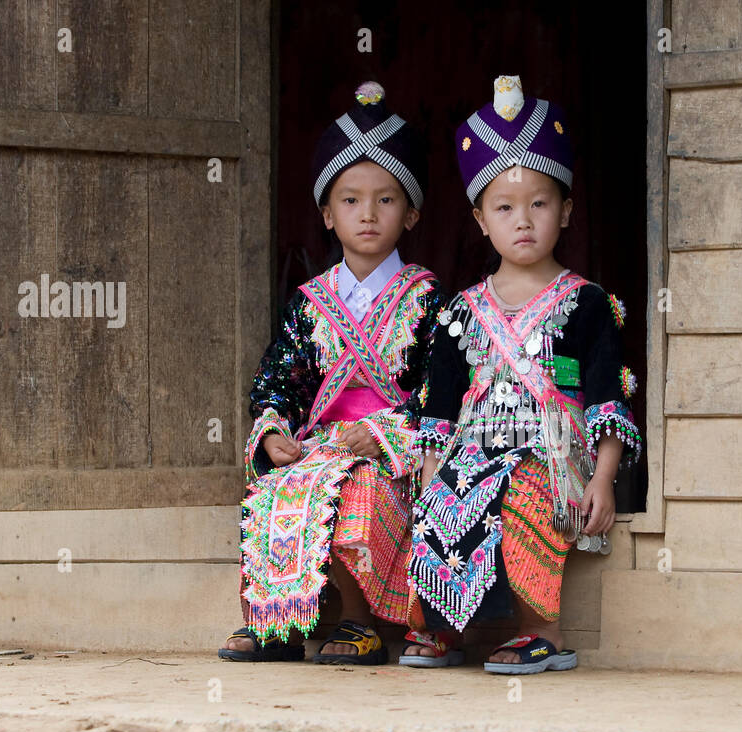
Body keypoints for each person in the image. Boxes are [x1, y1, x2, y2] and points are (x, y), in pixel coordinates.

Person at [404, 76, 641, 674]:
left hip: (557, 456)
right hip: (475, 450)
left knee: (530, 483)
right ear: (480, 221)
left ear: (566, 209)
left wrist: (605, 480)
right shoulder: (461, 310)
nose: (524, 221)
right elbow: (440, 405)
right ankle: (440, 627)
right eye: (504, 207)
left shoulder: (587, 303)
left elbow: (609, 397)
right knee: (444, 493)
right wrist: (433, 473)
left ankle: (544, 632)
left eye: (539, 203)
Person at [221, 82, 445, 665]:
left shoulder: (428, 299)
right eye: (349, 199)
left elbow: (441, 391)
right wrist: (273, 432)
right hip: (320, 447)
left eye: (386, 199)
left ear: (412, 212)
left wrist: (384, 436)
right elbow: (278, 380)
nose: (367, 214)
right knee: (277, 490)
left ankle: (358, 622)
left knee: (359, 491)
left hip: (392, 454)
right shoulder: (309, 303)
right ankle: (278, 625)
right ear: (326, 212)